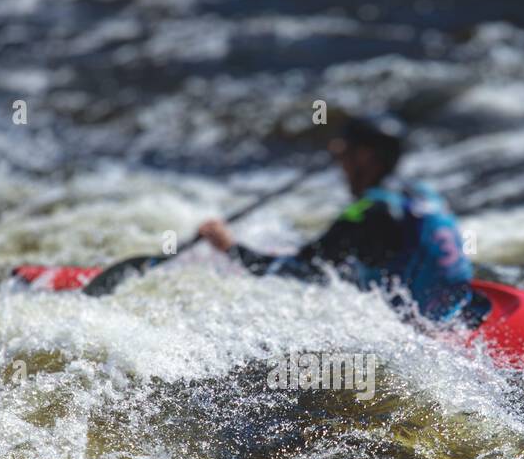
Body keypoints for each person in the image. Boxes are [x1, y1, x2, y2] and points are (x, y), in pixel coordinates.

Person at [197, 115, 487, 324]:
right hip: (464, 308)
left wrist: (229, 247)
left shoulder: (364, 215)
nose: (341, 164)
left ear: (366, 156)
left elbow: (299, 269)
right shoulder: (425, 194)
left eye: (347, 153)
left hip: (424, 327)